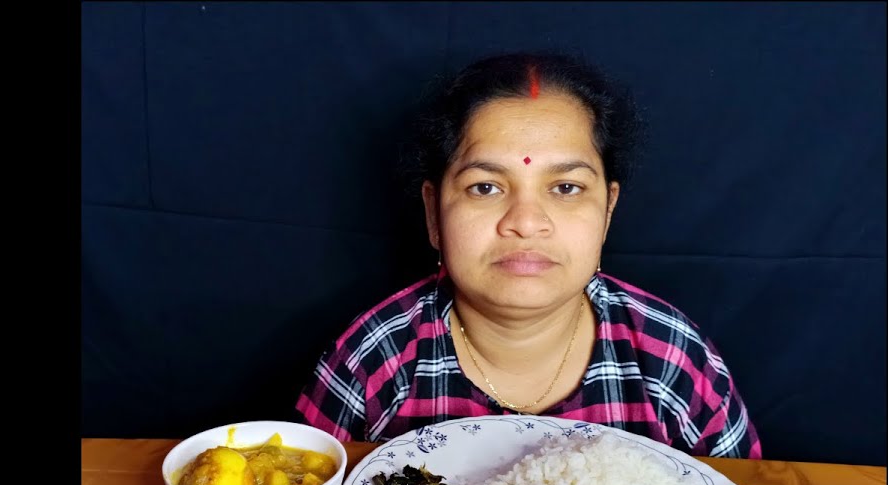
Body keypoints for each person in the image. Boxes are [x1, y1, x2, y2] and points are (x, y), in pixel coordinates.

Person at [295, 51, 760, 459]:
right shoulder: (373, 359)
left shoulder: (670, 356)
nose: (525, 221)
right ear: (434, 215)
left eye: (565, 188)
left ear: (608, 212)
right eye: (485, 187)